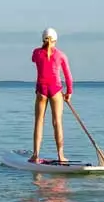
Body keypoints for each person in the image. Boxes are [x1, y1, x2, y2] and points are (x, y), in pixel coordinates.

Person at [30, 27, 73, 163]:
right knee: (57, 122)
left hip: (41, 90)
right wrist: (69, 92)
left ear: (43, 39)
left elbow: (34, 60)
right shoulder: (61, 55)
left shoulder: (36, 53)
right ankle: (61, 156)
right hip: (56, 90)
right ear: (55, 40)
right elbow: (68, 77)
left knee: (39, 122)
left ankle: (35, 155)